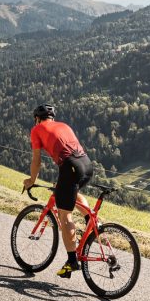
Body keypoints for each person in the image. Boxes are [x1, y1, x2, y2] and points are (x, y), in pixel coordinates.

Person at [22, 104, 93, 278]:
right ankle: (91, 221)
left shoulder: (37, 129)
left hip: (70, 168)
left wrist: (31, 180)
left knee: (64, 215)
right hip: (87, 166)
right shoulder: (64, 125)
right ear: (52, 117)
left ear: (37, 118)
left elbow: (36, 160)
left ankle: (71, 261)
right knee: (72, 193)